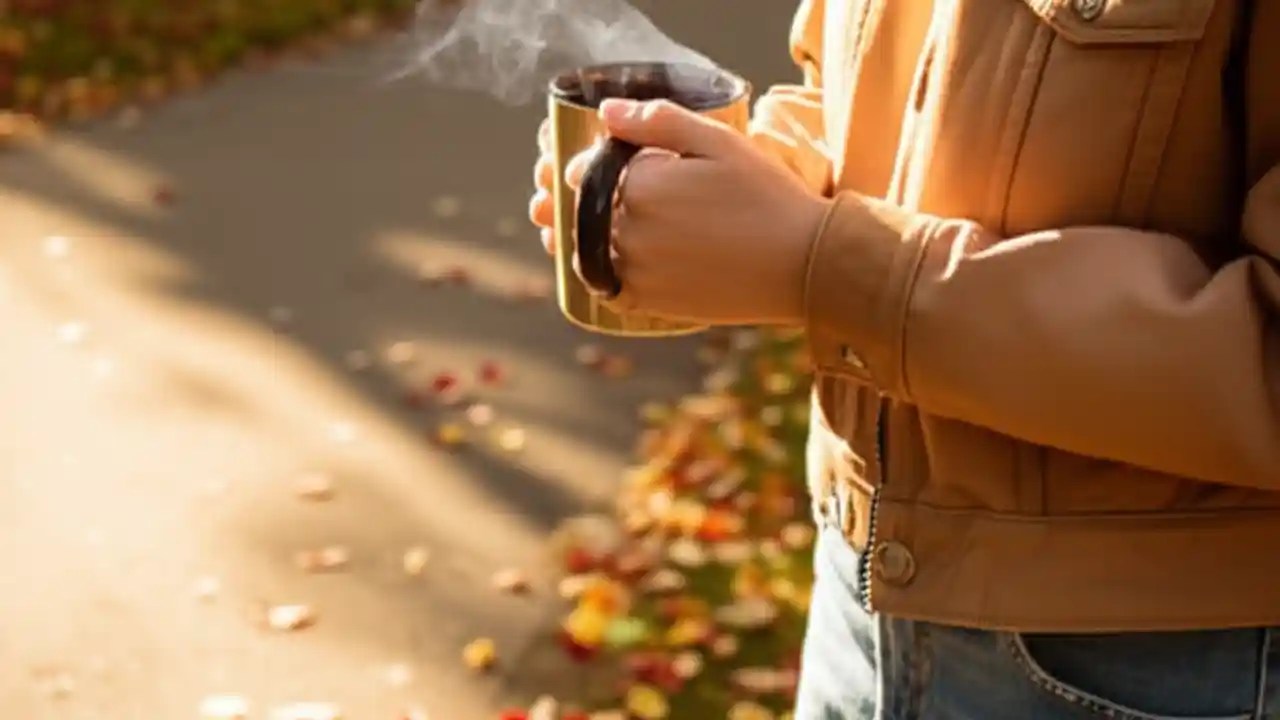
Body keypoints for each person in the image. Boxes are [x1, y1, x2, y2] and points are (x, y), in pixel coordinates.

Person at [529, 0, 1279, 717]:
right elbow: (856, 89)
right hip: (858, 593)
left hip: (1162, 666)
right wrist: (749, 182)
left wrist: (819, 262)